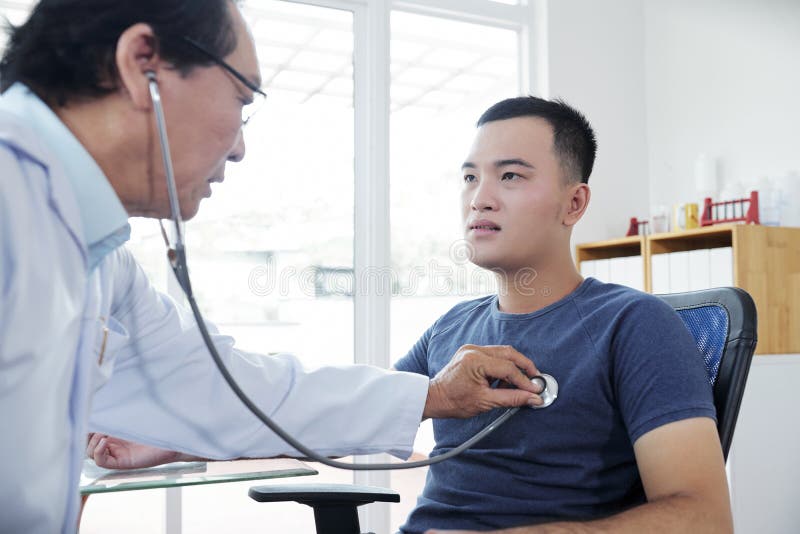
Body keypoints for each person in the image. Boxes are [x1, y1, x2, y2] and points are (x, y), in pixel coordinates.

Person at [0, 2, 543, 532]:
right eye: (241, 98)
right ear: (144, 63)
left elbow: (227, 389)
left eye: (512, 176)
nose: (238, 149)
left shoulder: (100, 257)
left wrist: (438, 396)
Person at [392, 96, 733, 533]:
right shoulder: (450, 328)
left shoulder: (634, 325)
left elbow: (705, 518)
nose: (479, 199)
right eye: (469, 177)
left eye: (510, 175)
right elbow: (366, 414)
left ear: (573, 204)